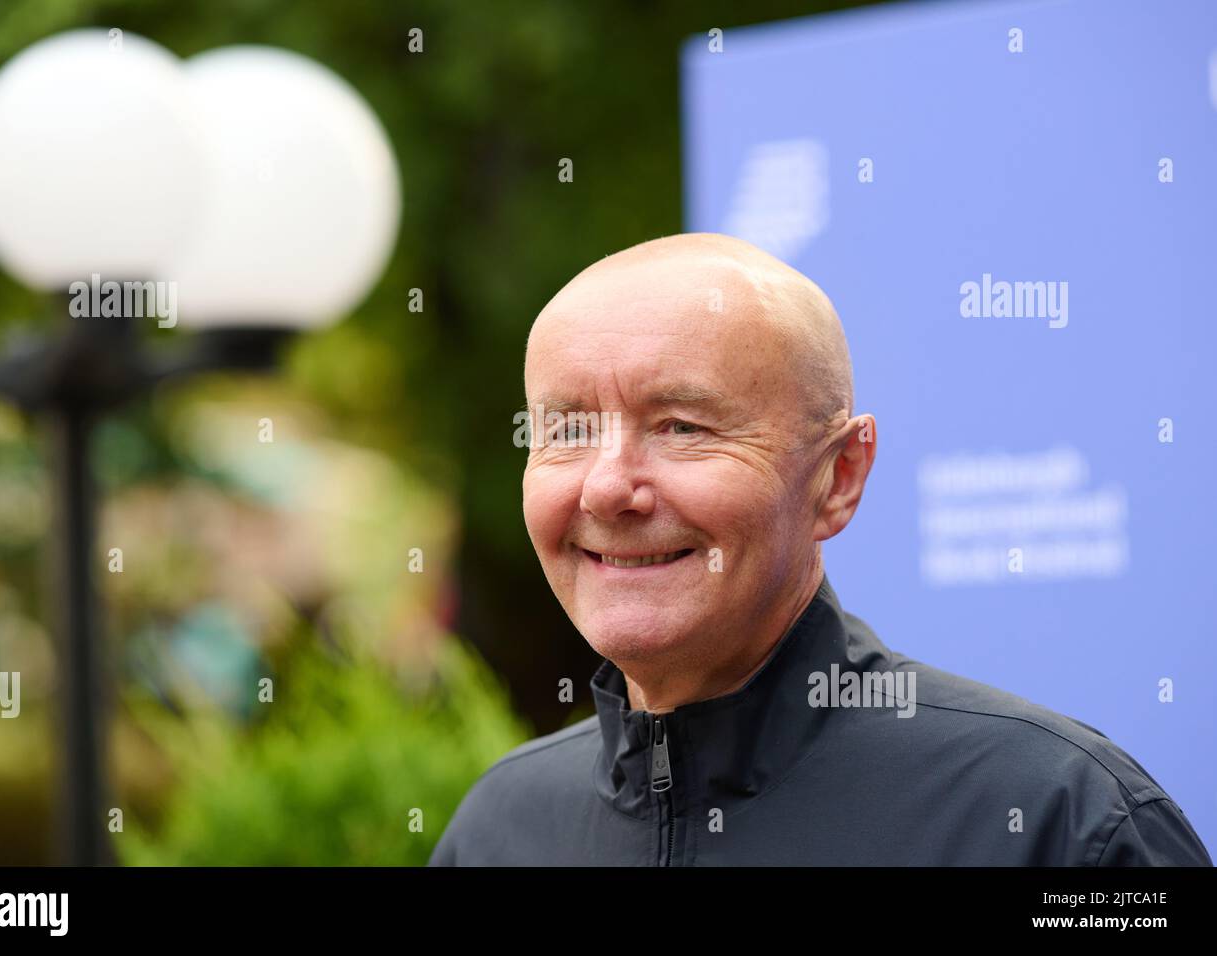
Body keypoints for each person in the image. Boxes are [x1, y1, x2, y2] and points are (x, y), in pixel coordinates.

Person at [428, 233, 1211, 866]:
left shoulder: (1060, 823)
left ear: (838, 477)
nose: (605, 489)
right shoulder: (501, 829)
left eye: (682, 428)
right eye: (568, 431)